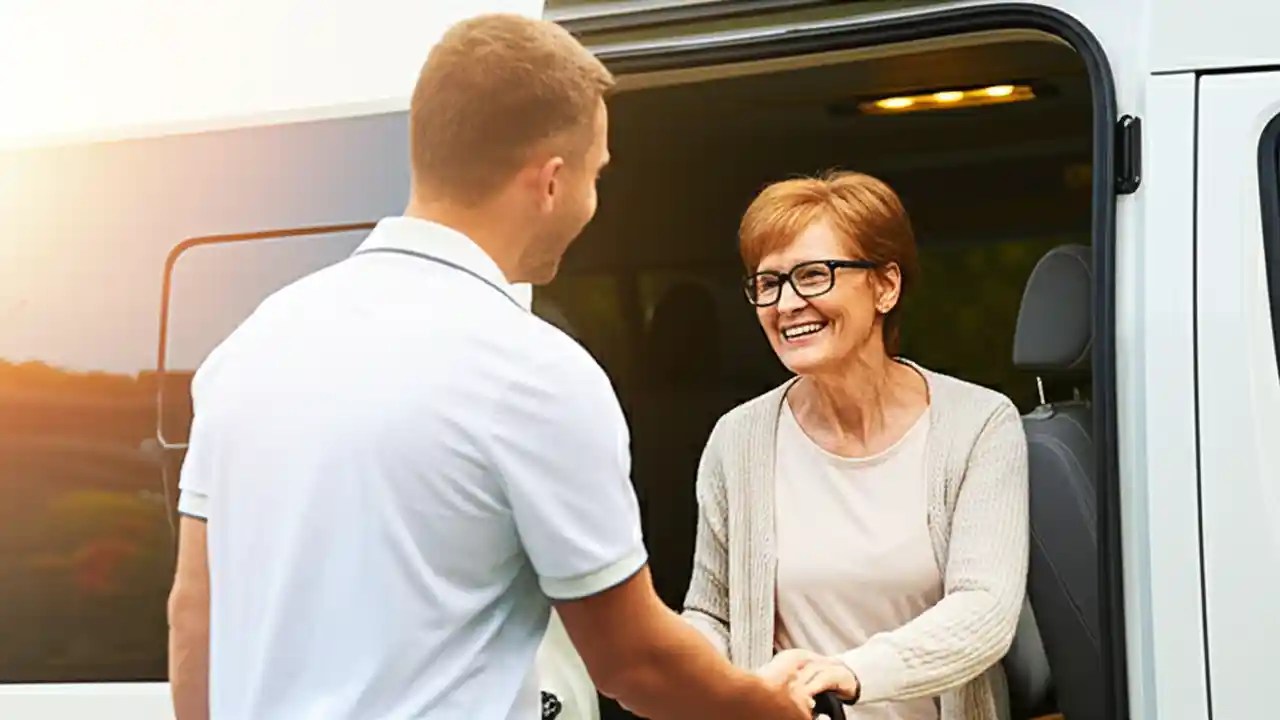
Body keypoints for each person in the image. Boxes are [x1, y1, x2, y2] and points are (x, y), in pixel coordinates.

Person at [165, 13, 817, 720]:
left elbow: (193, 618)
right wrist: (767, 705)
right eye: (596, 175)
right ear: (551, 183)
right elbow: (634, 660)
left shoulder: (247, 348)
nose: (593, 200)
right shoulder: (534, 371)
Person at [682, 171, 1029, 720]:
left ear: (886, 286)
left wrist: (852, 672)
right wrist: (686, 672)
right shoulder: (739, 438)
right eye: (767, 284)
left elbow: (985, 610)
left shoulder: (980, 424)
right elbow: (712, 614)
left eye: (814, 275)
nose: (786, 303)